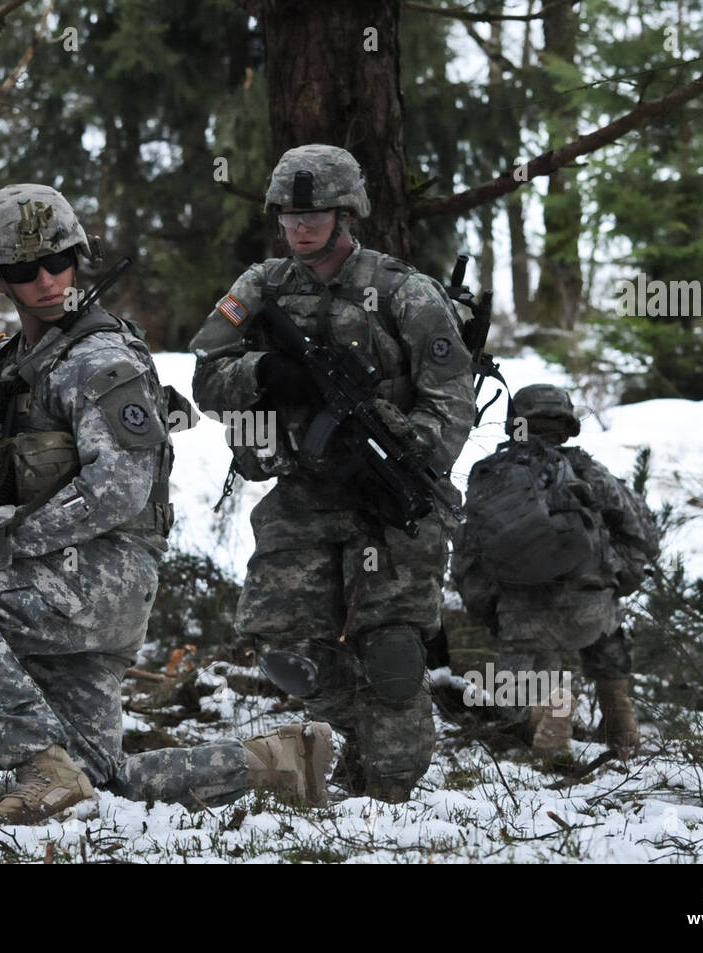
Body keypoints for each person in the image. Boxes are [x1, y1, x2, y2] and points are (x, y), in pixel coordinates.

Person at [0, 184, 333, 823]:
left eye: (59, 261)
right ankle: (280, 761)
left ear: (79, 258)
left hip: (100, 579)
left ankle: (40, 768)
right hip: (62, 587)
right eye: (24, 269)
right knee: (104, 778)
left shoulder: (101, 361)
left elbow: (119, 492)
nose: (47, 280)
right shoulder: (5, 362)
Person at [190, 145, 477, 802]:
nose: (300, 225)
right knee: (286, 647)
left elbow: (451, 400)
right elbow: (205, 375)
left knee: (393, 657)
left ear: (347, 211)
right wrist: (263, 372)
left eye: (315, 211)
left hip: (392, 493)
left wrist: (402, 449)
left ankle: (389, 789)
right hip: (302, 492)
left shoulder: (404, 290)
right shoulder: (260, 286)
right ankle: (356, 732)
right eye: (290, 212)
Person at [450, 384, 661, 757]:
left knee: (515, 694)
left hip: (520, 616)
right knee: (608, 631)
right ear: (567, 427)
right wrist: (615, 579)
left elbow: (467, 557)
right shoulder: (588, 471)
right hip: (589, 611)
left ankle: (546, 710)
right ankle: (620, 720)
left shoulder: (490, 476)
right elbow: (642, 532)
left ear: (516, 425)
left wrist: (492, 611)